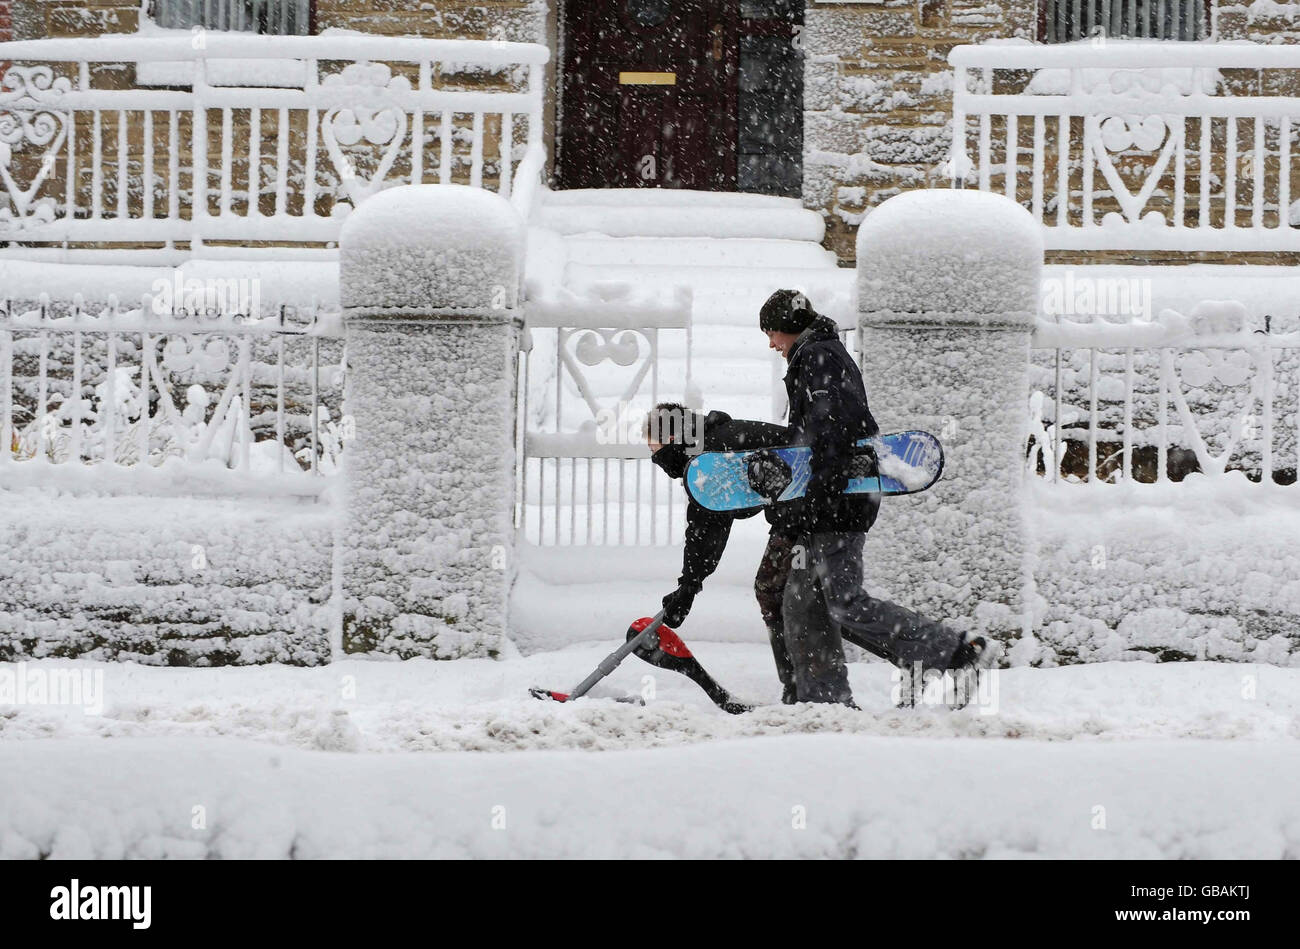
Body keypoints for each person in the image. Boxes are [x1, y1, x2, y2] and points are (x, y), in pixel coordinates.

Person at [759, 289, 996, 706]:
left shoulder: (820, 359)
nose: (772, 343)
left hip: (840, 503)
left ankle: (957, 651)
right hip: (828, 502)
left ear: (788, 328)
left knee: (846, 603)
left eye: (773, 333)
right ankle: (825, 702)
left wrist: (815, 498)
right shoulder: (815, 356)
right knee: (803, 603)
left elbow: (832, 436)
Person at [645, 402, 804, 704]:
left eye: (656, 452)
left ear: (671, 440)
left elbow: (707, 527)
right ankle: (800, 686)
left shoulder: (709, 457)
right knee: (786, 594)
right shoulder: (713, 443)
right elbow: (712, 520)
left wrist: (689, 586)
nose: (657, 460)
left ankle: (802, 687)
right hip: (802, 514)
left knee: (780, 593)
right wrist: (690, 583)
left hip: (811, 513)